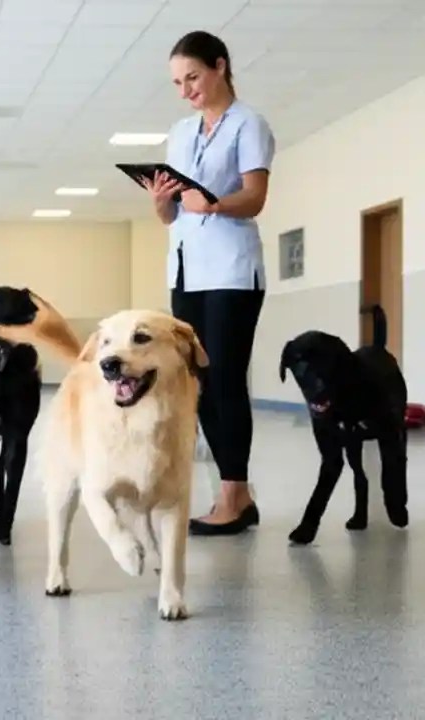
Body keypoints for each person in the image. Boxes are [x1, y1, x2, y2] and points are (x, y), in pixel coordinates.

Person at [140, 30, 274, 537]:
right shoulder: (180, 132)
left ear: (220, 66)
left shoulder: (249, 125)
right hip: (186, 270)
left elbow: (255, 197)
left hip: (232, 273)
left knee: (225, 380)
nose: (185, 90)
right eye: (177, 82)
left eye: (192, 77)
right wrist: (160, 201)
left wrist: (214, 203)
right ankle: (232, 491)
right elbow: (171, 213)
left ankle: (234, 495)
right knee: (198, 382)